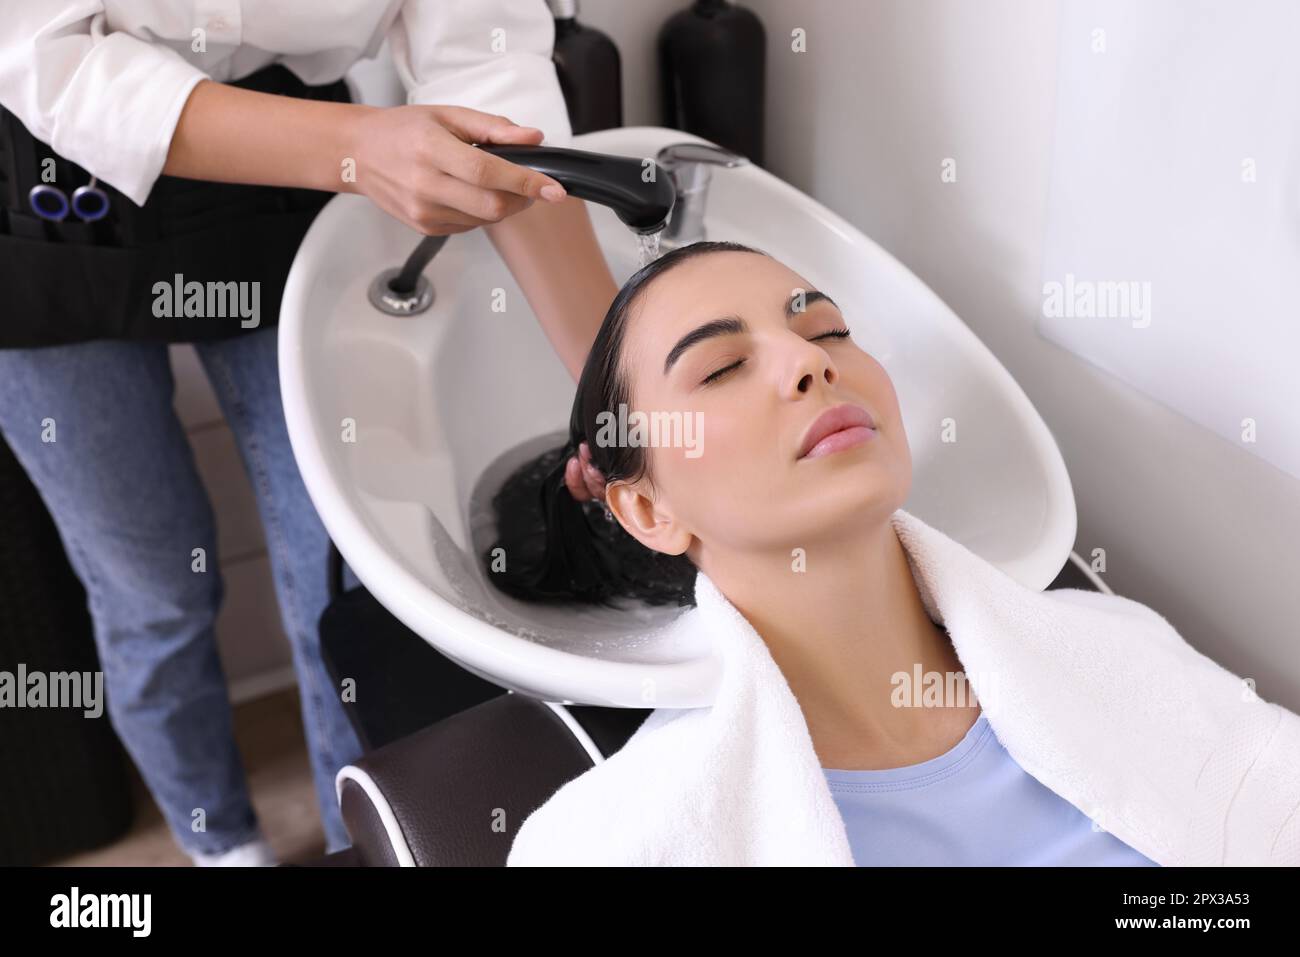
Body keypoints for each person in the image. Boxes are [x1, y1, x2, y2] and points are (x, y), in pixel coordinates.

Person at [0, 1, 618, 865]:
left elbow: (490, 70)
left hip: (275, 175)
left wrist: (613, 393)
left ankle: (351, 841)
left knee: (340, 573)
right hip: (35, 202)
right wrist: (358, 145)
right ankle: (218, 843)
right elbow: (41, 53)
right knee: (151, 593)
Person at [483, 240, 1296, 865]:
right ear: (647, 508)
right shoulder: (612, 842)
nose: (810, 360)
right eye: (723, 366)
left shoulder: (1118, 650)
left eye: (827, 328)